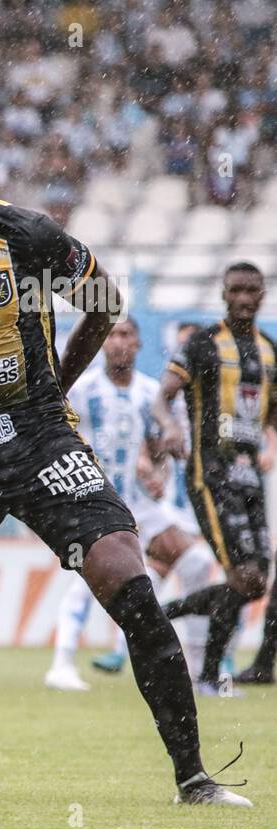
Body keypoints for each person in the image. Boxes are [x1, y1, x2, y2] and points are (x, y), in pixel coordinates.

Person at [0, 116, 248, 806]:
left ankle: (193, 775)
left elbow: (104, 303)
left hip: (38, 442)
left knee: (131, 584)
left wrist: (54, 386)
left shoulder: (23, 235)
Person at [44, 318, 214, 691]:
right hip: (93, 502)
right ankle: (62, 664)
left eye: (127, 335)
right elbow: (60, 435)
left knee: (198, 563)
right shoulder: (83, 389)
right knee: (86, 579)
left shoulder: (150, 394)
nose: (119, 343)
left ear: (138, 344)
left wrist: (156, 471)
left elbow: (158, 449)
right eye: (112, 335)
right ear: (102, 344)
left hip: (139, 504)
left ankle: (202, 672)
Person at [154, 263, 277, 688]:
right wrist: (170, 428)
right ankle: (205, 674)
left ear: (262, 295)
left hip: (250, 478)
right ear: (224, 294)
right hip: (211, 475)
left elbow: (272, 410)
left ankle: (158, 618)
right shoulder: (202, 344)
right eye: (236, 290)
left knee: (255, 583)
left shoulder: (269, 350)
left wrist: (271, 443)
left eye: (252, 291)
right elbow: (163, 397)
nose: (244, 298)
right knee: (244, 577)